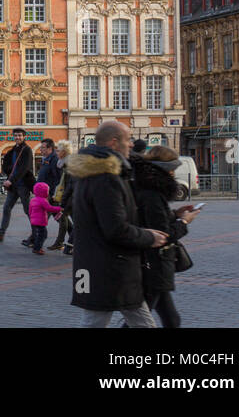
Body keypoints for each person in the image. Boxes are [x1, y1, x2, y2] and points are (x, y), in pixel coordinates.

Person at [64, 120, 169, 327]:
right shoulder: (106, 178)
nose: (131, 144)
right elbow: (115, 229)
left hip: (106, 266)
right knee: (96, 321)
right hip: (110, 267)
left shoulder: (91, 174)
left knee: (135, 321)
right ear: (114, 143)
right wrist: (149, 237)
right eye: (128, 139)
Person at [133, 145, 198, 328]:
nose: (173, 174)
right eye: (172, 170)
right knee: (141, 321)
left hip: (155, 265)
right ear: (165, 169)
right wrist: (184, 222)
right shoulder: (152, 194)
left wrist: (175, 214)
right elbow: (162, 234)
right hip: (156, 264)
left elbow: (153, 219)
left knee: (171, 319)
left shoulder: (146, 189)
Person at [0, 128, 35, 242]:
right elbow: (6, 165)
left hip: (23, 185)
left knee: (28, 210)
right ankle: (1, 234)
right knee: (7, 208)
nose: (17, 137)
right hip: (13, 186)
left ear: (24, 137)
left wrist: (11, 179)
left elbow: (24, 168)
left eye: (20, 135)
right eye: (16, 135)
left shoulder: (26, 150)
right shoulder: (13, 150)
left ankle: (36, 233)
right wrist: (8, 172)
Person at [48, 141, 75, 254]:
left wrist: (63, 200)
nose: (56, 152)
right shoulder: (63, 163)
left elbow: (69, 184)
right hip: (68, 196)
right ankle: (67, 243)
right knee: (68, 219)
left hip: (70, 197)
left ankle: (61, 243)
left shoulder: (69, 165)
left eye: (58, 150)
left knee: (63, 217)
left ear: (64, 152)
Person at [28, 181, 61, 254]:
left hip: (34, 221)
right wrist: (59, 208)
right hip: (40, 221)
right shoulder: (43, 200)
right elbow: (49, 208)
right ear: (44, 192)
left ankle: (36, 247)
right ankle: (37, 248)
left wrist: (31, 218)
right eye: (47, 191)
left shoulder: (33, 200)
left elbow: (30, 210)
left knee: (39, 234)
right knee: (43, 235)